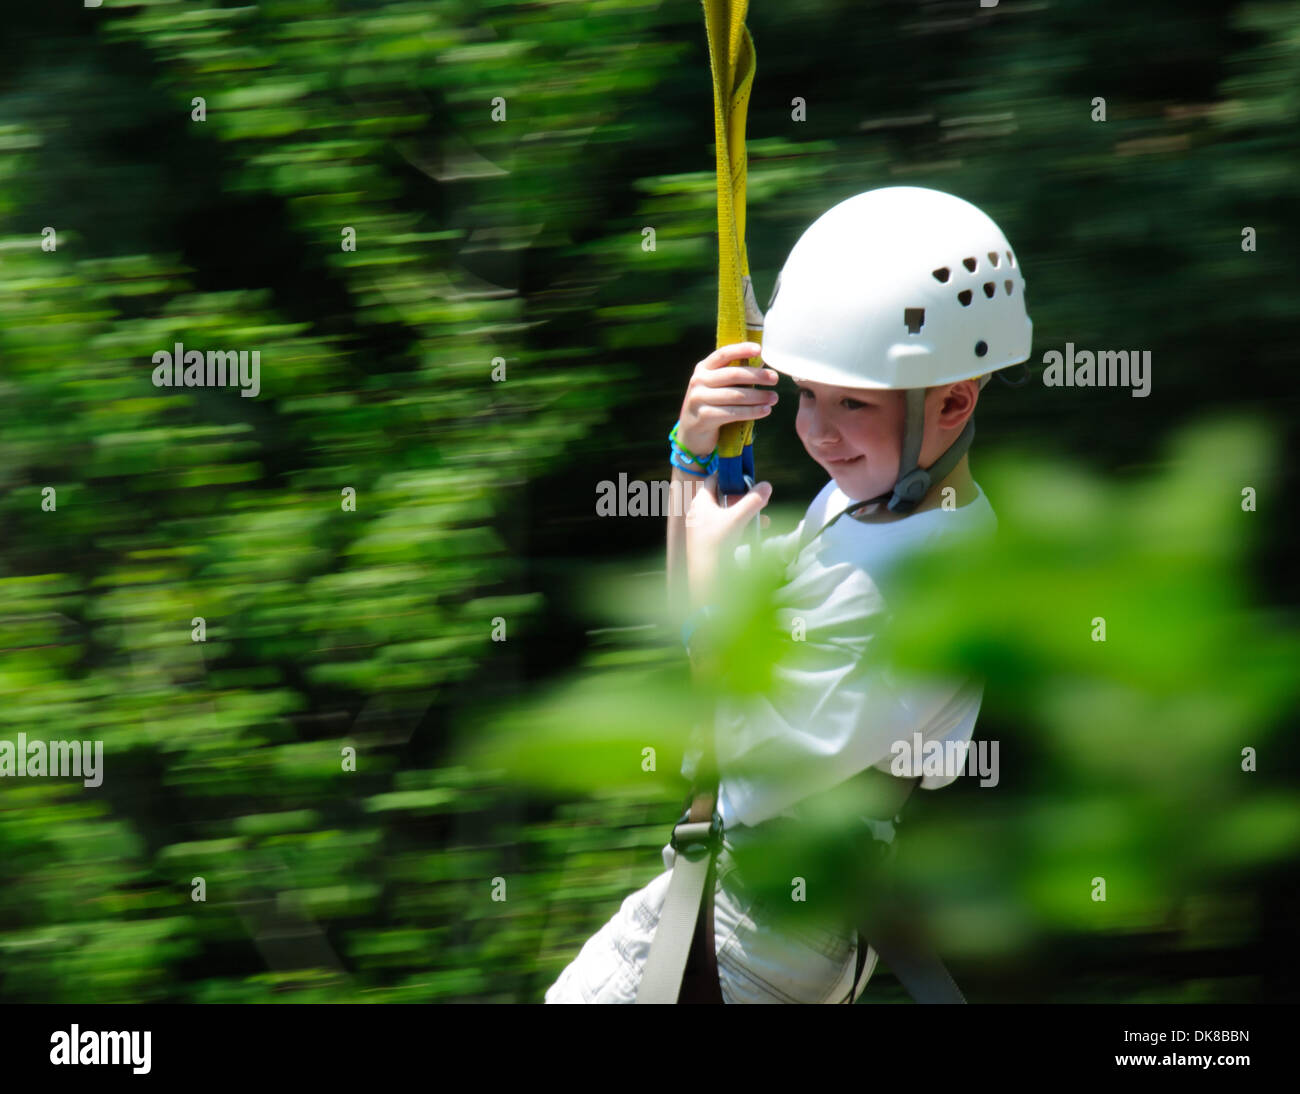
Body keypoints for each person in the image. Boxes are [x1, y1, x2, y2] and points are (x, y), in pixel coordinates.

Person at [544, 186, 1031, 1003]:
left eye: (852, 403)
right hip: (747, 903)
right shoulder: (870, 507)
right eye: (808, 394)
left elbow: (746, 760)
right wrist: (690, 458)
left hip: (758, 930)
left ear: (951, 402)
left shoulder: (918, 576)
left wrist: (710, 590)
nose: (816, 430)